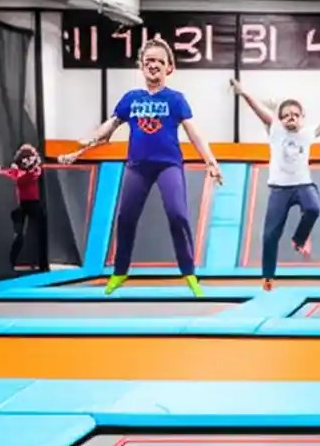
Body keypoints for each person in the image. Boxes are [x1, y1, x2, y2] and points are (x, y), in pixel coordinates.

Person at [60, 37, 222, 296]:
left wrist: (211, 162)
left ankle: (189, 273)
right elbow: (110, 125)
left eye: (159, 61)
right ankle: (120, 271)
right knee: (126, 218)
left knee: (178, 214)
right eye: (149, 61)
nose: (153, 65)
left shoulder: (176, 99)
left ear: (169, 67)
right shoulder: (131, 99)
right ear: (141, 66)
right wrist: (88, 140)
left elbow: (194, 133)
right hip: (137, 167)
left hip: (169, 165)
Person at [231, 79, 320, 290]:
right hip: (279, 189)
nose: (291, 118)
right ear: (280, 120)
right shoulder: (275, 131)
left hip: (302, 185)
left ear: (302, 118)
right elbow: (258, 110)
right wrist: (244, 93)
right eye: (286, 115)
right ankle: (268, 277)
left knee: (313, 208)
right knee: (270, 234)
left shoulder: (308, 133)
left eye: (295, 115)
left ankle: (299, 239)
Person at [0, 144, 44, 270]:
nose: (26, 161)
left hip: (33, 203)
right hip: (20, 204)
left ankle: (38, 262)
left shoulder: (35, 171)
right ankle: (12, 261)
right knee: (19, 234)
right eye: (24, 158)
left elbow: (25, 178)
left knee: (37, 232)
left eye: (28, 158)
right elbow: (13, 175)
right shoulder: (18, 171)